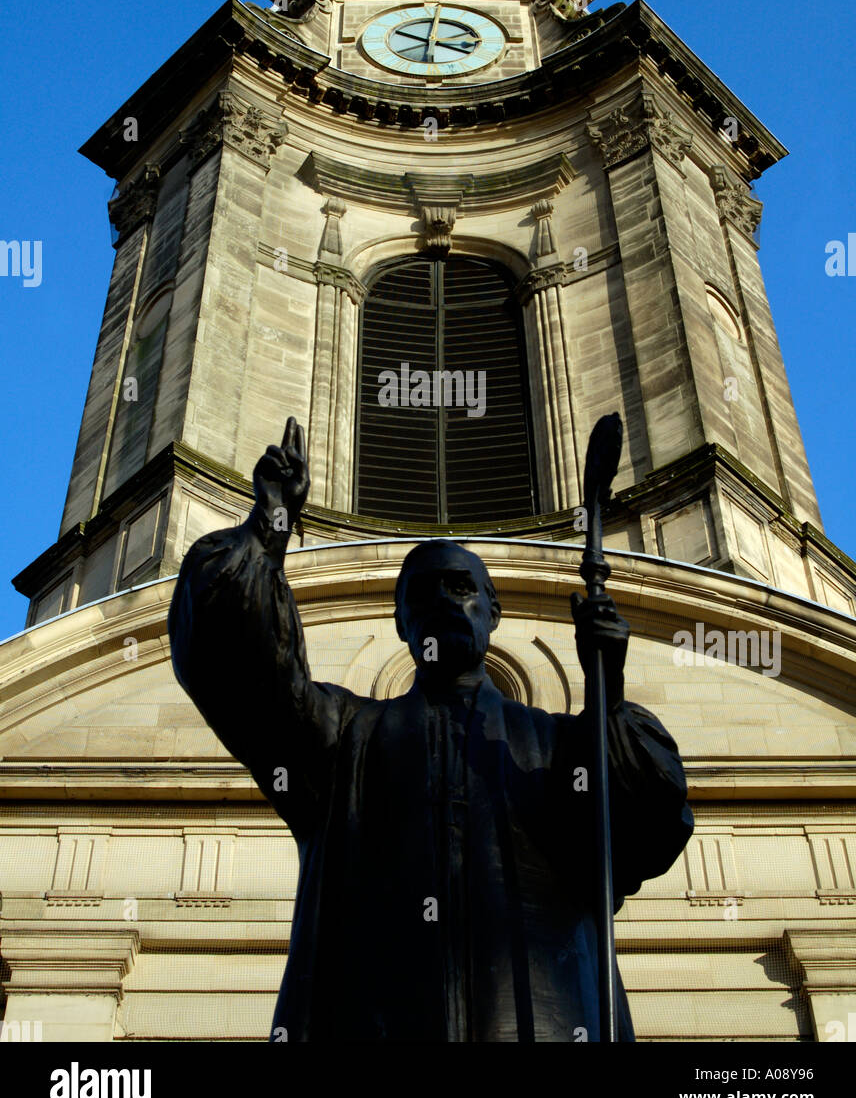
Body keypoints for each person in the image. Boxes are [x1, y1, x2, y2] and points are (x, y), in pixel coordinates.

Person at [168, 418, 693, 1041]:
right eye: (424, 592)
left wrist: (610, 703)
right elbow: (237, 668)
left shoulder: (560, 751)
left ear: (493, 613)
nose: (445, 601)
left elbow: (650, 828)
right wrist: (270, 524)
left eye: (462, 588)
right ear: (400, 622)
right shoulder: (341, 740)